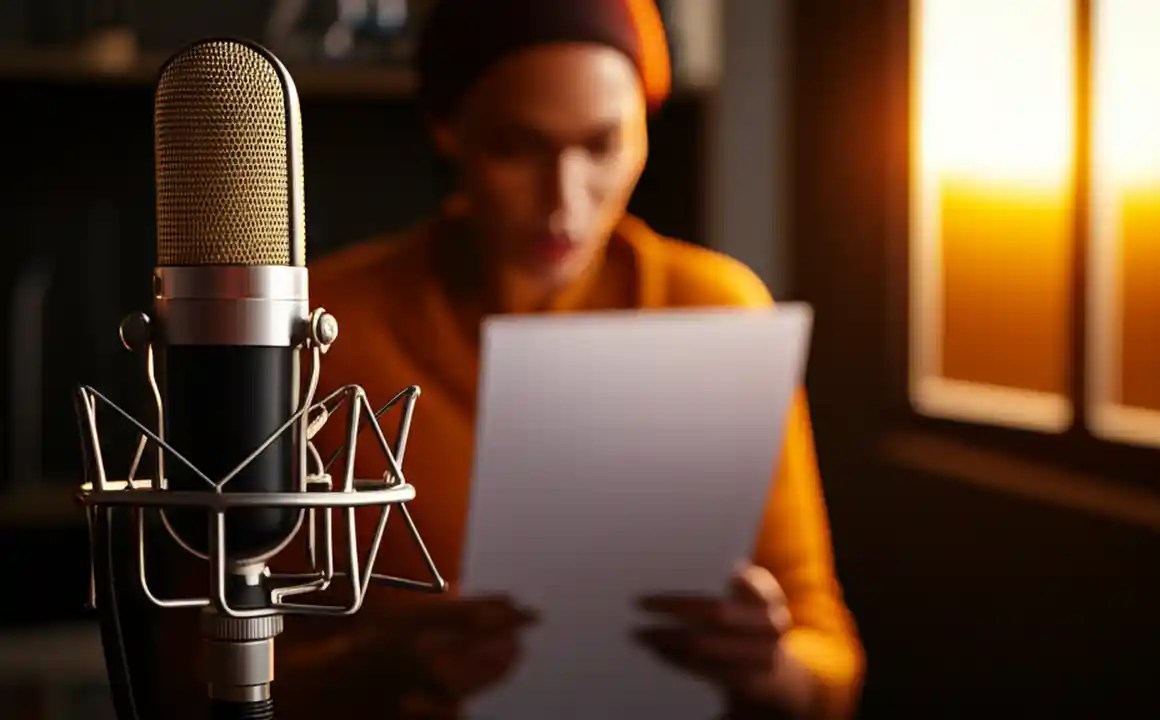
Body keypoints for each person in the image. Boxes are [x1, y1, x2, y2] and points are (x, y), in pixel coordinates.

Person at [156, 1, 864, 718]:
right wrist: (378, 668)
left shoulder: (715, 311)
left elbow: (830, 662)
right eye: (517, 147)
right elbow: (187, 670)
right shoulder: (322, 331)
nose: (565, 203)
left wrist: (768, 665)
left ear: (647, 129)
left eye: (603, 144)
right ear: (448, 130)